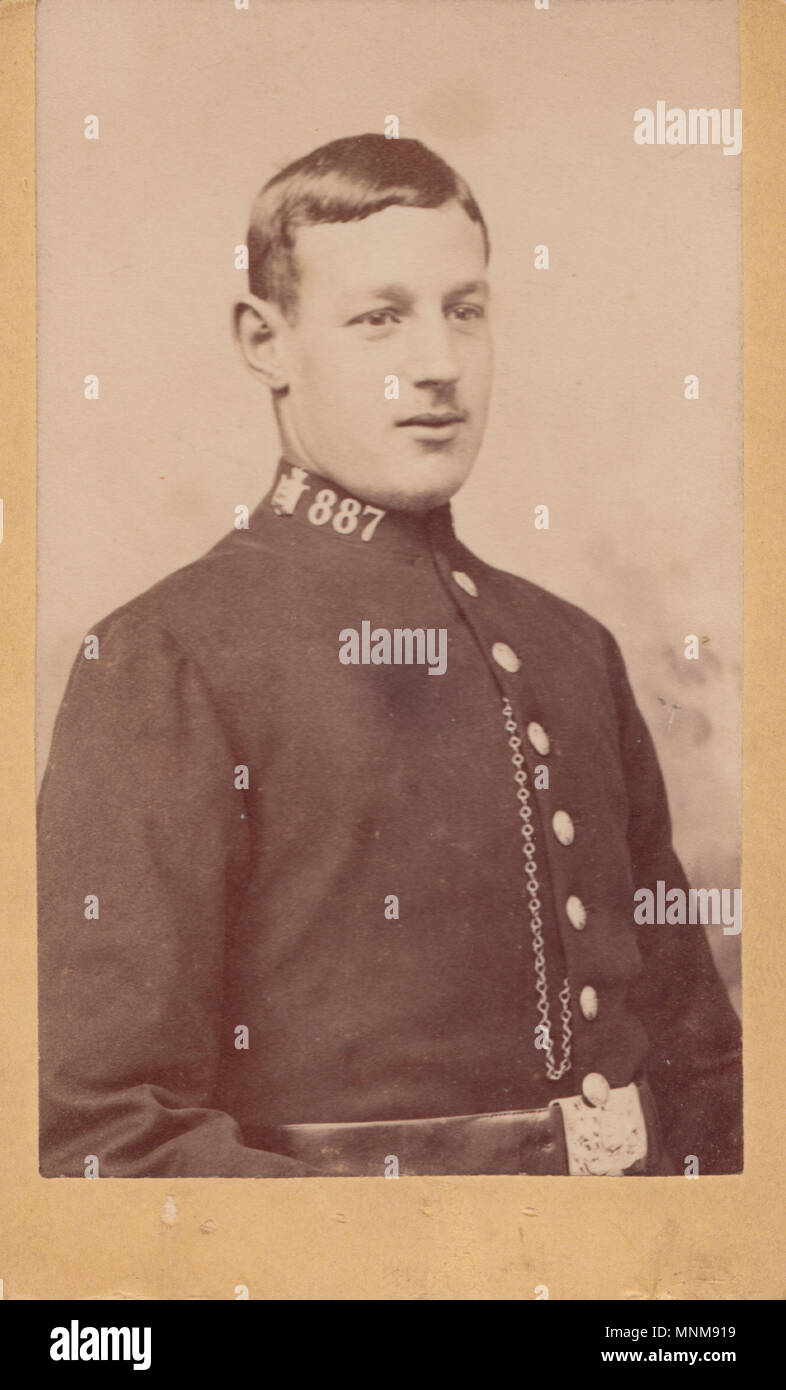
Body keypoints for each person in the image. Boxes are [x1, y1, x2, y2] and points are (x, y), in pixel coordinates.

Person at [38, 134, 742, 1178]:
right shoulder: (167, 656)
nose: (438, 364)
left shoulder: (569, 648)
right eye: (379, 318)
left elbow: (706, 1074)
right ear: (264, 342)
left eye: (465, 310)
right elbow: (109, 1131)